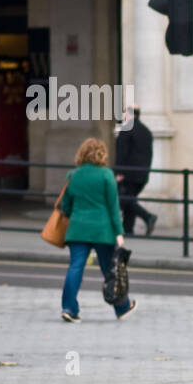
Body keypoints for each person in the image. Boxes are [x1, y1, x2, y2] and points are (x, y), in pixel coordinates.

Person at [60, 137, 136, 322]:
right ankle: (122, 307)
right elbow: (113, 206)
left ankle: (69, 309)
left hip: (77, 229)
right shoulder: (106, 175)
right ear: (102, 154)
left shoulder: (73, 175)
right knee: (109, 270)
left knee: (75, 267)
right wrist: (119, 233)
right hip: (103, 231)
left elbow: (65, 206)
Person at [115, 105, 156, 236]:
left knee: (126, 199)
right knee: (130, 199)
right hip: (142, 174)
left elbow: (122, 153)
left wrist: (119, 172)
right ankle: (127, 229)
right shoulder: (146, 131)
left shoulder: (127, 129)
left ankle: (148, 216)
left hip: (128, 174)